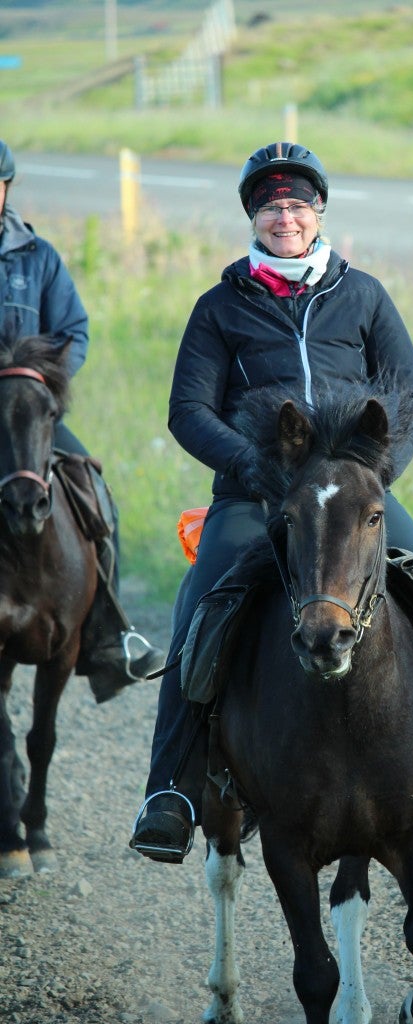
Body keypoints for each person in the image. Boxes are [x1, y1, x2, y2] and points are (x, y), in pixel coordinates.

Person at [131, 141, 413, 862]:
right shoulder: (218, 308)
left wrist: (374, 471)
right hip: (256, 495)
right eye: (271, 205)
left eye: (298, 203)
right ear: (253, 216)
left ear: (319, 211)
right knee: (198, 610)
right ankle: (168, 794)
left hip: (351, 493)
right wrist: (258, 465)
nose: (285, 216)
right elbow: (187, 411)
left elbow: (411, 394)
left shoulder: (361, 294)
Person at [0, 139, 165, 701]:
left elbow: (74, 332)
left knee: (95, 492)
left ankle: (107, 637)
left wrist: (44, 383)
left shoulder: (38, 258)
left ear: (6, 188)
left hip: (27, 413)